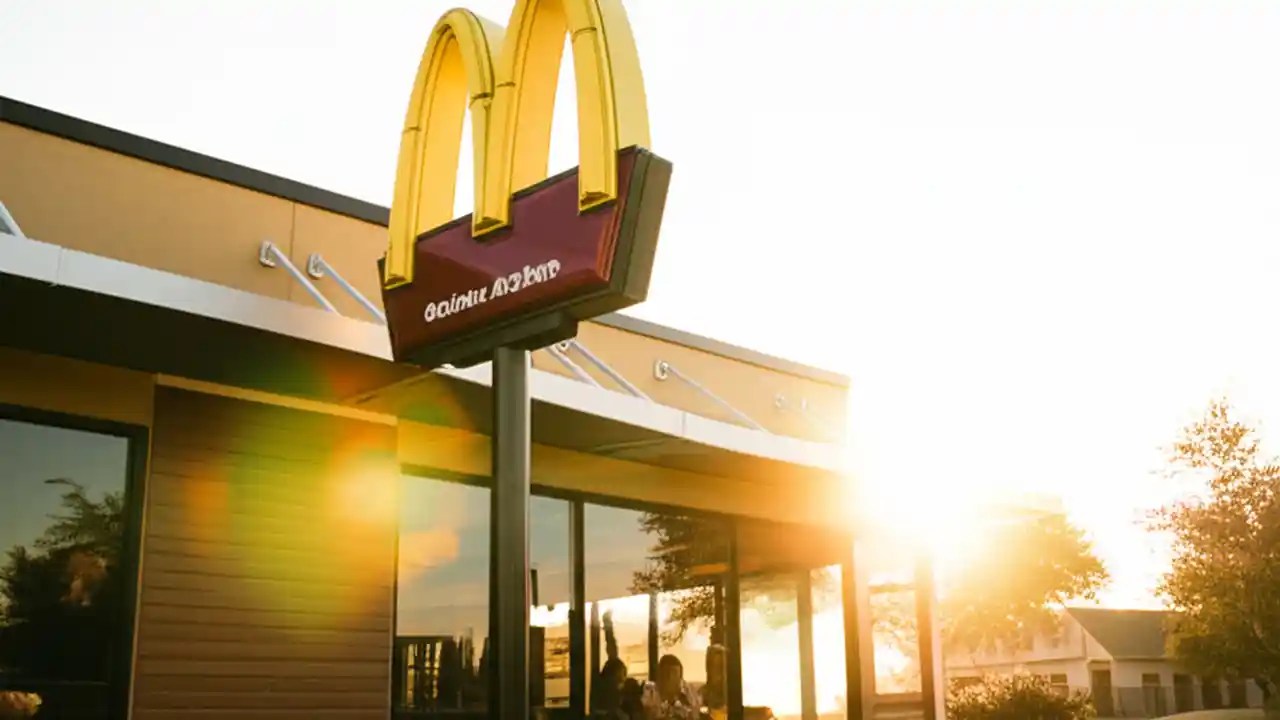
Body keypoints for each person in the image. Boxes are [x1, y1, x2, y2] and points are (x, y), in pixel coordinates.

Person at [641, 655, 701, 720]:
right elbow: (646, 714)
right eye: (666, 672)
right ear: (659, 675)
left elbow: (695, 715)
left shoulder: (689, 692)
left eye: (674, 673)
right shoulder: (650, 691)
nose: (670, 677)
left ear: (681, 676)